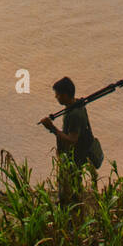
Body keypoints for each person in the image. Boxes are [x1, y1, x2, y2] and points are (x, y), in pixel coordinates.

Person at [40, 76, 93, 204]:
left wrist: (52, 128)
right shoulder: (74, 106)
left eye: (57, 94)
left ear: (65, 95)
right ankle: (74, 205)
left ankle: (71, 207)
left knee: (68, 183)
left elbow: (72, 140)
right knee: (71, 182)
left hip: (74, 157)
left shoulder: (75, 113)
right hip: (73, 155)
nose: (56, 97)